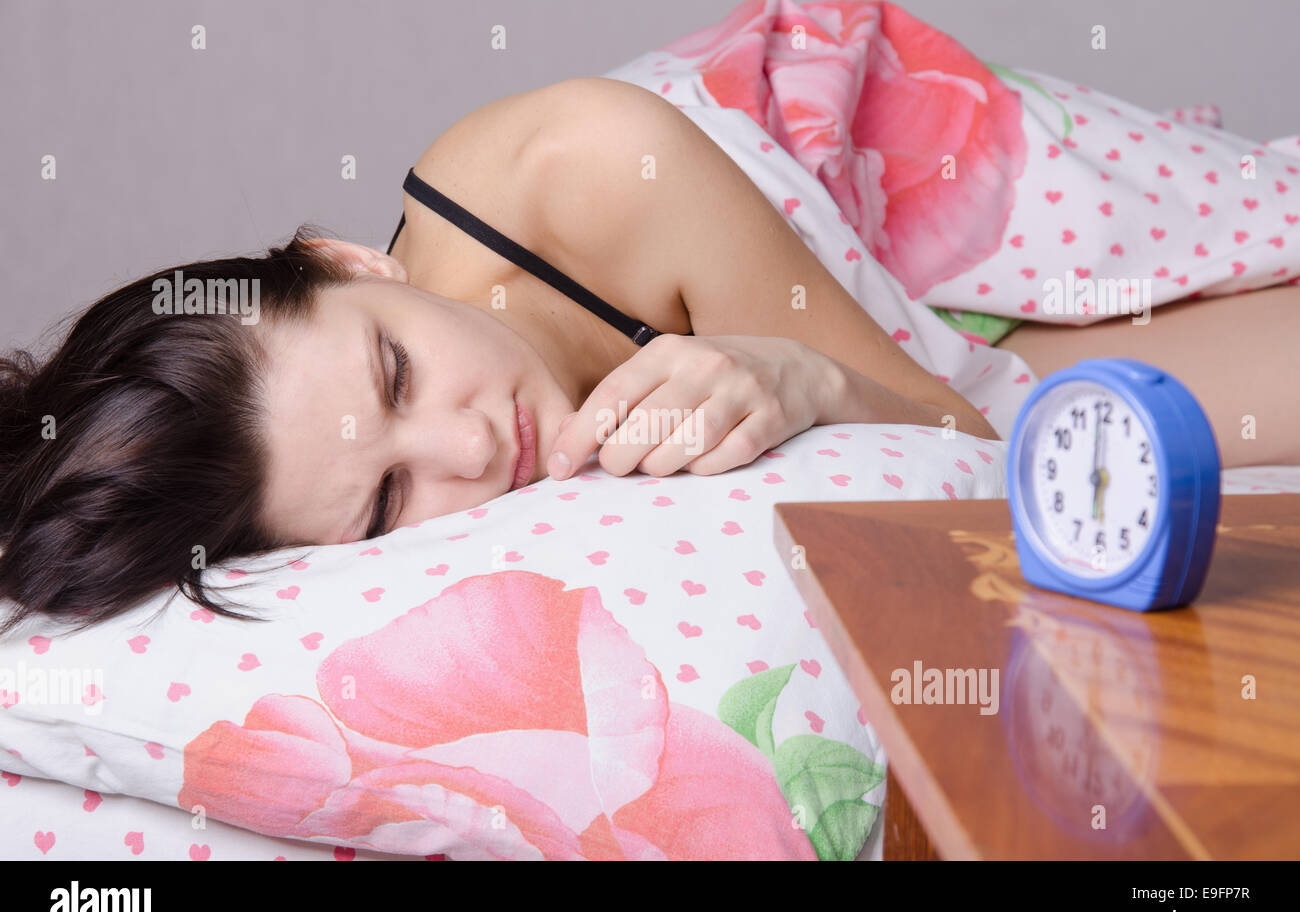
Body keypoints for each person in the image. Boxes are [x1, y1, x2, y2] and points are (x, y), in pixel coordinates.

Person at [0, 77, 1294, 636]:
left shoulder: (583, 166)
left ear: (353, 265)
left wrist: (803, 379)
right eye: (390, 497)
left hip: (890, 216)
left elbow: (964, 441)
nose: (467, 444)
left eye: (395, 375)